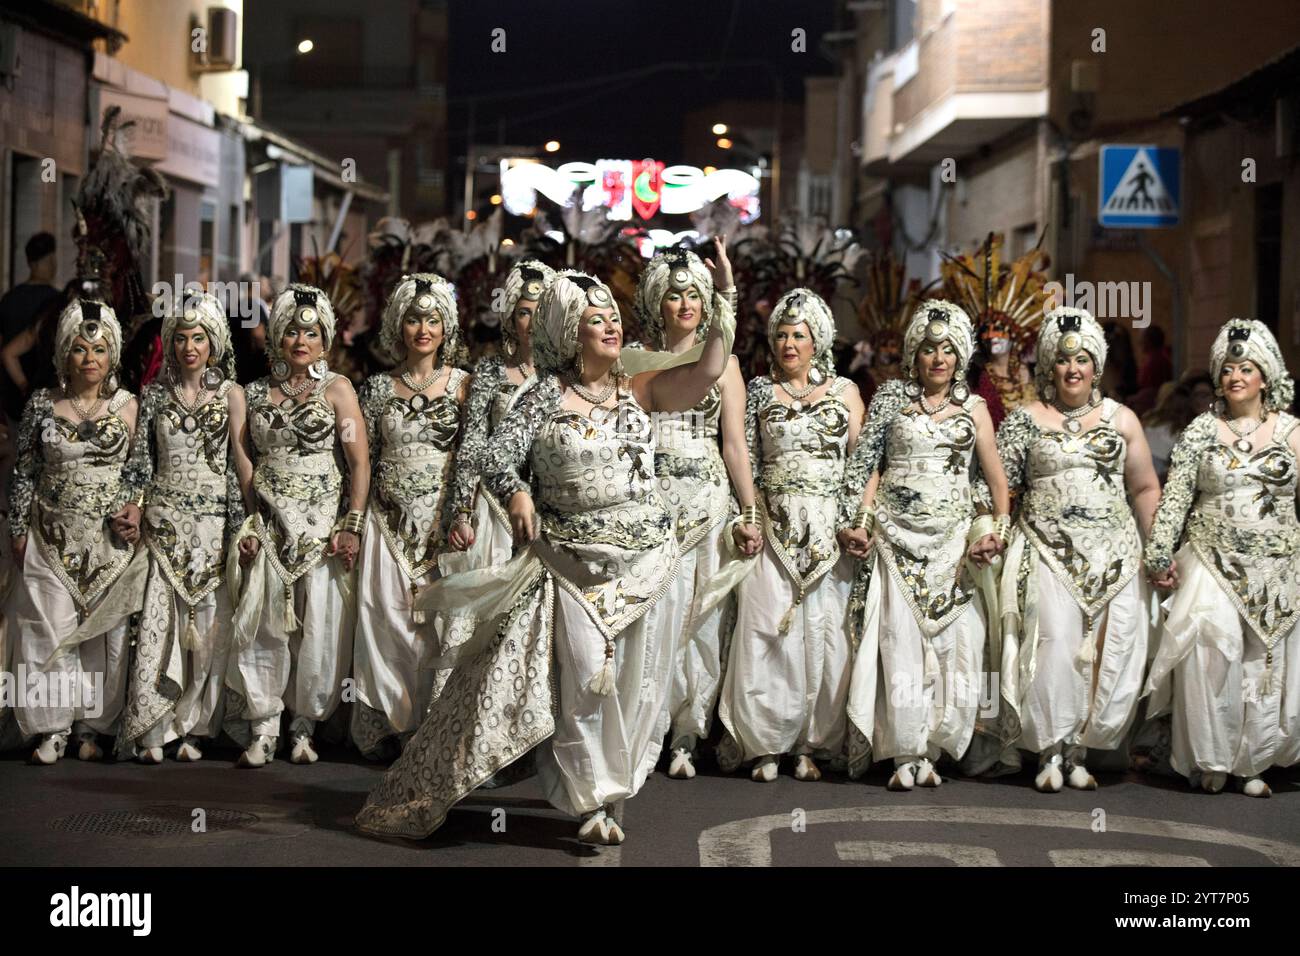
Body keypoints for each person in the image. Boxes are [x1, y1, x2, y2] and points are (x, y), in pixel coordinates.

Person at [356, 268, 733, 846]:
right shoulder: (542, 397)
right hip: (571, 563)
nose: (610, 328)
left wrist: (725, 293)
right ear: (568, 333)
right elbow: (497, 457)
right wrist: (519, 493)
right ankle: (588, 791)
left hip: (650, 564)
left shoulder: (641, 388)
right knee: (585, 679)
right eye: (595, 321)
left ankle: (611, 798)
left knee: (636, 686)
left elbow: (709, 369)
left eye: (613, 319)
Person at [841, 301, 1011, 789]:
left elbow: (996, 479)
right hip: (896, 538)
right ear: (914, 353)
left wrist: (995, 531)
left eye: (949, 350)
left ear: (961, 356)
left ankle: (933, 749)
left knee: (956, 646)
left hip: (954, 545)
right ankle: (903, 751)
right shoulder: (890, 400)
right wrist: (865, 518)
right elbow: (869, 466)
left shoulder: (975, 409)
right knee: (900, 643)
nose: (939, 358)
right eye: (929, 349)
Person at [995, 307, 1161, 791]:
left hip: (1115, 556)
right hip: (1045, 551)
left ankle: (1082, 749)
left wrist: (1156, 550)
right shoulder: (1024, 419)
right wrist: (995, 534)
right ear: (1050, 365)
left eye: (1083, 359)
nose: (1073, 369)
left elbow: (1146, 488)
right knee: (1054, 643)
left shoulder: (1122, 418)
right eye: (1064, 361)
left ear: (1097, 366)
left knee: (1111, 651)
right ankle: (1050, 748)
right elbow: (998, 488)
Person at [1144, 319, 1300, 797]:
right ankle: (1210, 759)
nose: (1235, 376)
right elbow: (1175, 498)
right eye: (1228, 368)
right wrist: (1158, 553)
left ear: (1265, 377)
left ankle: (1251, 762)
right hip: (1210, 558)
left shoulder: (1293, 432)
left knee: (1263, 661)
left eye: (1246, 368)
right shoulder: (1201, 431)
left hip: (1277, 566)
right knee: (1211, 655)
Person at [715, 288, 864, 783]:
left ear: (817, 340)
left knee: (824, 637)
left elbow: (861, 466)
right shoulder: (759, 391)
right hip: (774, 529)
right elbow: (747, 460)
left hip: (829, 533)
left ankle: (810, 744)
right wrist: (751, 516)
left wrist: (855, 521)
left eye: (798, 335)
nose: (788, 343)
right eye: (780, 334)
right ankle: (766, 744)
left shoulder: (846, 393)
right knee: (766, 629)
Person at [225, 284, 370, 767]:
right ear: (277, 338)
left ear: (324, 340)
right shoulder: (250, 393)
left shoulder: (338, 389)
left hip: (321, 529)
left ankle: (304, 727)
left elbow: (358, 461)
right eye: (291, 330)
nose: (300, 340)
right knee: (263, 626)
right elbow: (243, 458)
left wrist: (350, 522)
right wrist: (250, 519)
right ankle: (264, 727)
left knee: (319, 630)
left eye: (311, 332)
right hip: (269, 527)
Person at [632, 244, 760, 780]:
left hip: (707, 504)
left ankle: (687, 733)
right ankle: (645, 729)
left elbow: (734, 444)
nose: (684, 303)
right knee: (655, 620)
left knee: (703, 623)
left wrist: (749, 510)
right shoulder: (635, 360)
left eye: (694, 294)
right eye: (674, 295)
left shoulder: (725, 362)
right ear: (655, 303)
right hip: (652, 507)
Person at [7, 298, 149, 763]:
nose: (91, 358)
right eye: (81, 349)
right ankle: (52, 729)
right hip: (49, 535)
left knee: (102, 636)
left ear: (113, 356)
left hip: (109, 543)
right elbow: (24, 468)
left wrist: (134, 507)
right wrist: (17, 526)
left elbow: (141, 469)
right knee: (47, 631)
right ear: (65, 352)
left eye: (101, 349)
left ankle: (91, 727)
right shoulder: (42, 404)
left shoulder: (129, 405)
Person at [120, 291, 254, 762]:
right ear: (171, 343)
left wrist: (246, 525)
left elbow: (241, 464)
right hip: (163, 524)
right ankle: (154, 728)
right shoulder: (155, 394)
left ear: (214, 343)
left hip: (215, 528)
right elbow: (140, 463)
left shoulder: (232, 393)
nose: (190, 347)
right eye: (181, 338)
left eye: (199, 338)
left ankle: (196, 728)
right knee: (161, 625)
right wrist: (133, 507)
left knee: (212, 630)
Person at [350, 274, 470, 759]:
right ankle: (393, 724)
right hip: (387, 521)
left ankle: (434, 724)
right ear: (399, 326)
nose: (424, 328)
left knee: (442, 625)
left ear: (447, 327)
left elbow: (471, 457)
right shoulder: (377, 389)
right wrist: (354, 521)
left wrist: (462, 513)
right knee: (387, 623)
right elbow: (365, 458)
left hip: (447, 524)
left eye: (434, 319)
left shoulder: (464, 384)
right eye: (415, 319)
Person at [446, 260, 557, 570]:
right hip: (493, 508)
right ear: (510, 319)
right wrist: (462, 514)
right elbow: (472, 444)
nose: (533, 323)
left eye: (541, 313)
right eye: (524, 313)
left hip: (551, 509)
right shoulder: (491, 373)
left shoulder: (569, 378)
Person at [1, 233, 61, 422]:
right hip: (44, 395)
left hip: (10, 396)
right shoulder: (55, 302)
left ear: (28, 262)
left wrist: (21, 384)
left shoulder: (9, 299)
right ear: (51, 261)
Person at [1142, 370, 1214, 482]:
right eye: (1195, 396)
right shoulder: (1180, 429)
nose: (1199, 400)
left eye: (1204, 395)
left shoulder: (1222, 427)